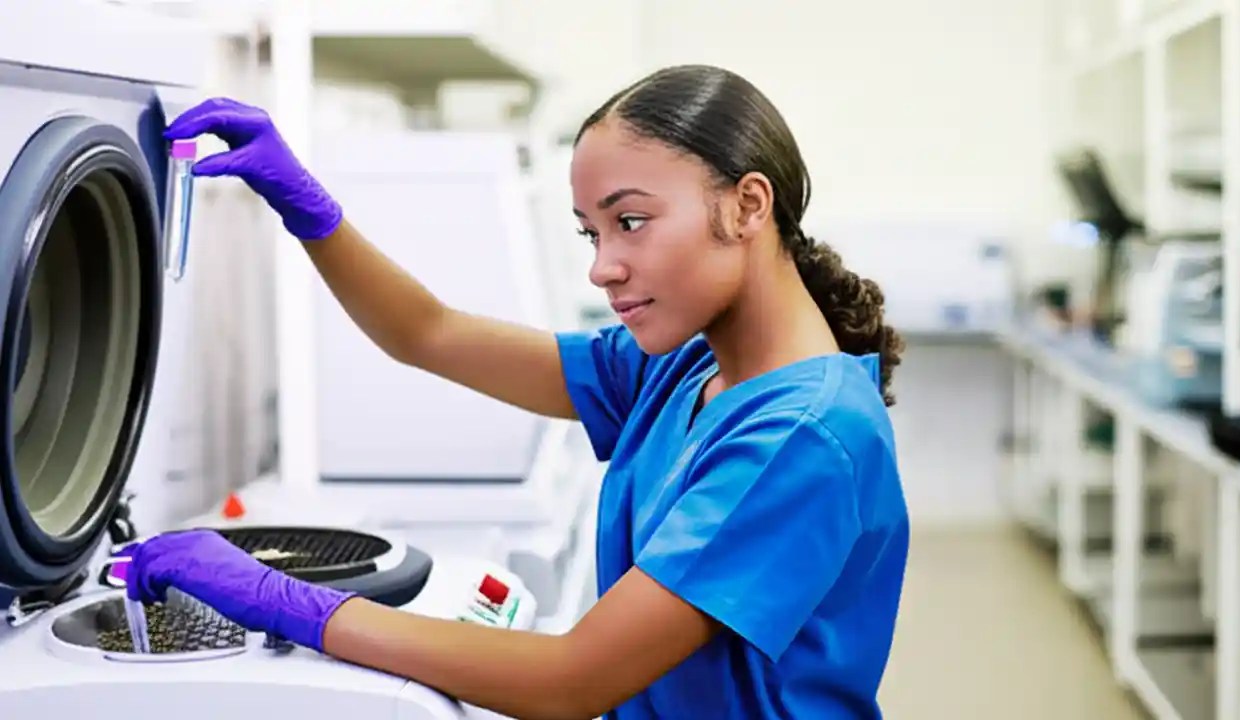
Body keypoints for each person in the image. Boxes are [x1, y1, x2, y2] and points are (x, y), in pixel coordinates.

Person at [126, 64, 910, 720]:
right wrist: (307, 209)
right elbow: (427, 333)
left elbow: (573, 678)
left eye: (630, 222)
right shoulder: (684, 368)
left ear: (747, 205)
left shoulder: (801, 437)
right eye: (590, 234)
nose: (602, 266)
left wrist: (279, 601)